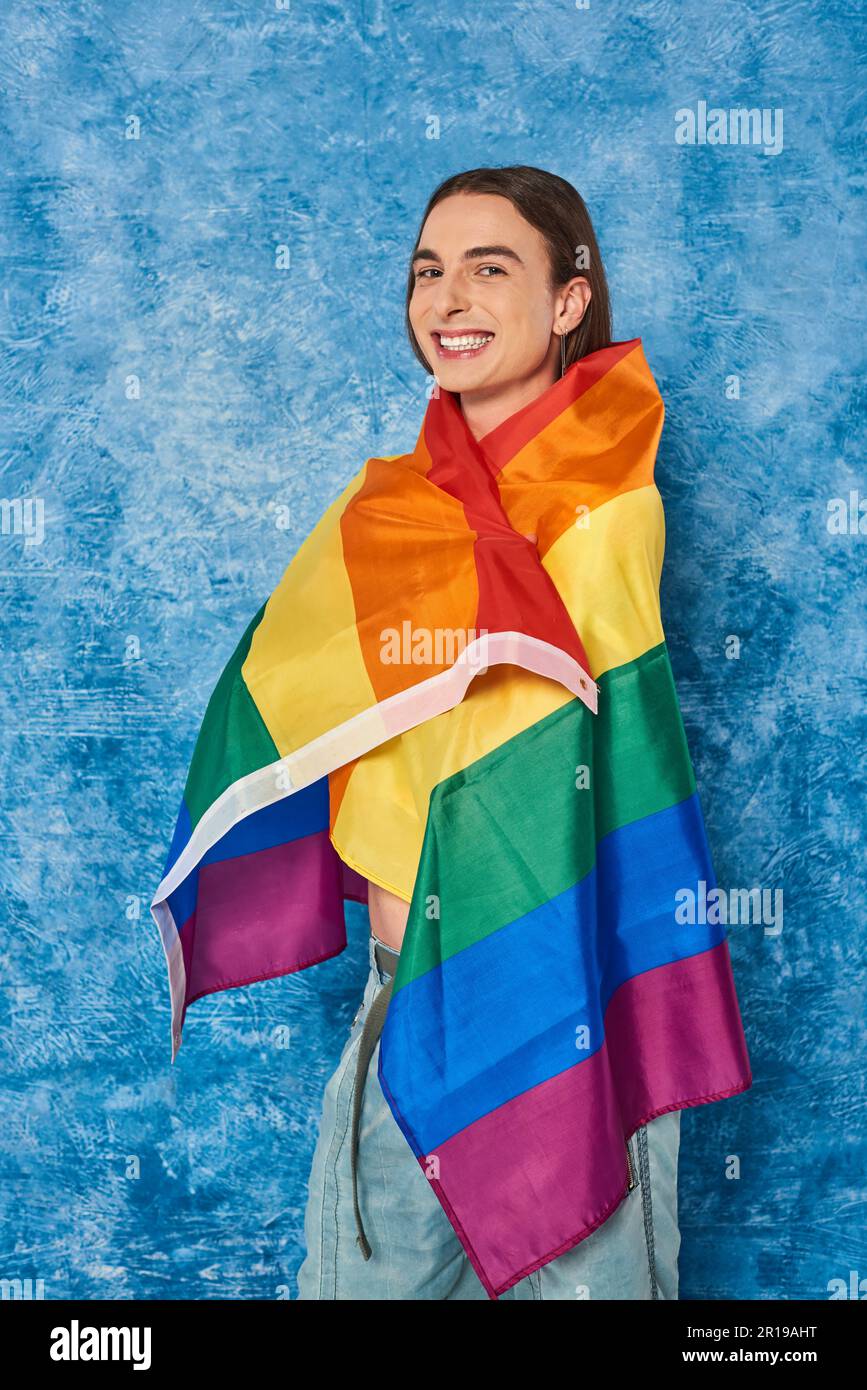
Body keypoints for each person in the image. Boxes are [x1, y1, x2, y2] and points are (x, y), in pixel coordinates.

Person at [295, 166, 683, 1300]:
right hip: (405, 994)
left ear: (568, 301)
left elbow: (597, 763)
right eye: (429, 271)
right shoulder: (386, 509)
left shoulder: (605, 509)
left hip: (567, 990)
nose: (448, 298)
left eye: (489, 268)